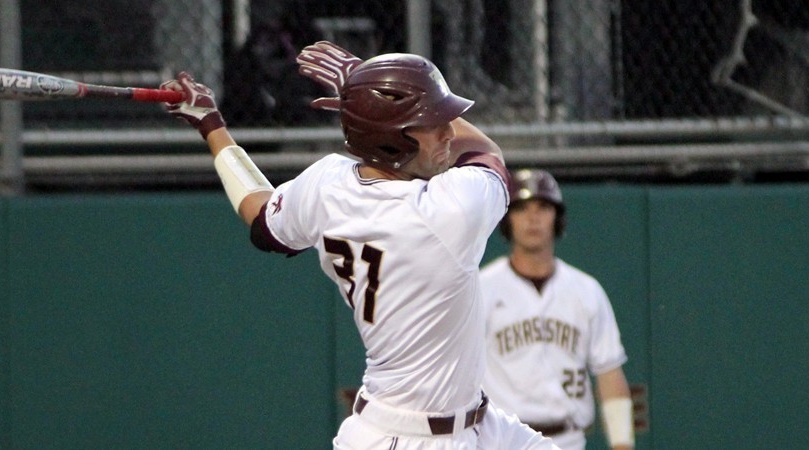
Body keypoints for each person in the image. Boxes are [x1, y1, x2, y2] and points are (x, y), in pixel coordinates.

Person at [160, 41, 558, 449]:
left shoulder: (326, 184)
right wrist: (362, 82)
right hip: (410, 438)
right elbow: (485, 152)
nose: (448, 132)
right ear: (392, 140)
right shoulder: (448, 210)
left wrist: (212, 125)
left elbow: (261, 217)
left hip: (477, 424)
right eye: (432, 122)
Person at [479, 169, 635, 450]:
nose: (533, 218)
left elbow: (610, 374)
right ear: (507, 219)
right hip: (501, 440)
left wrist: (622, 445)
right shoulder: (482, 287)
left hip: (567, 439)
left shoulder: (586, 290)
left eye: (543, 207)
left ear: (557, 217)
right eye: (522, 208)